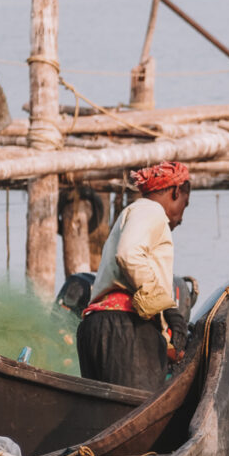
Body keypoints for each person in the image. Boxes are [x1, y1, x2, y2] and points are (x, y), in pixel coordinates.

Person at [76, 161, 191, 390]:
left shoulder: (131, 214)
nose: (181, 218)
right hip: (125, 328)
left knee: (106, 417)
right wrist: (167, 306)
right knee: (136, 414)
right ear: (176, 192)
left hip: (98, 325)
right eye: (185, 206)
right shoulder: (151, 210)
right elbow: (128, 254)